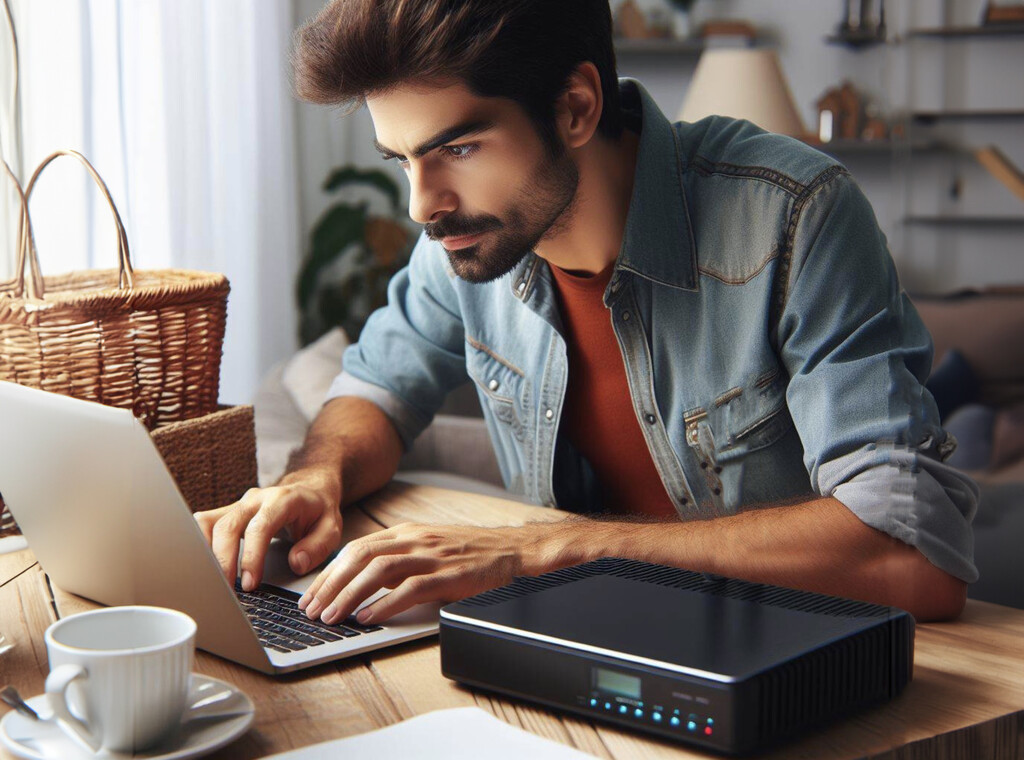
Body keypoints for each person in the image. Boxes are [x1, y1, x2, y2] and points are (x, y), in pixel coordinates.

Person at [196, 0, 977, 626]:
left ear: (575, 107)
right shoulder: (466, 243)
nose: (421, 205)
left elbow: (915, 553)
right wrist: (316, 477)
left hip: (779, 662)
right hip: (580, 645)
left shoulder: (795, 217)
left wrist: (547, 551)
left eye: (458, 149)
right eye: (402, 160)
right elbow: (374, 389)